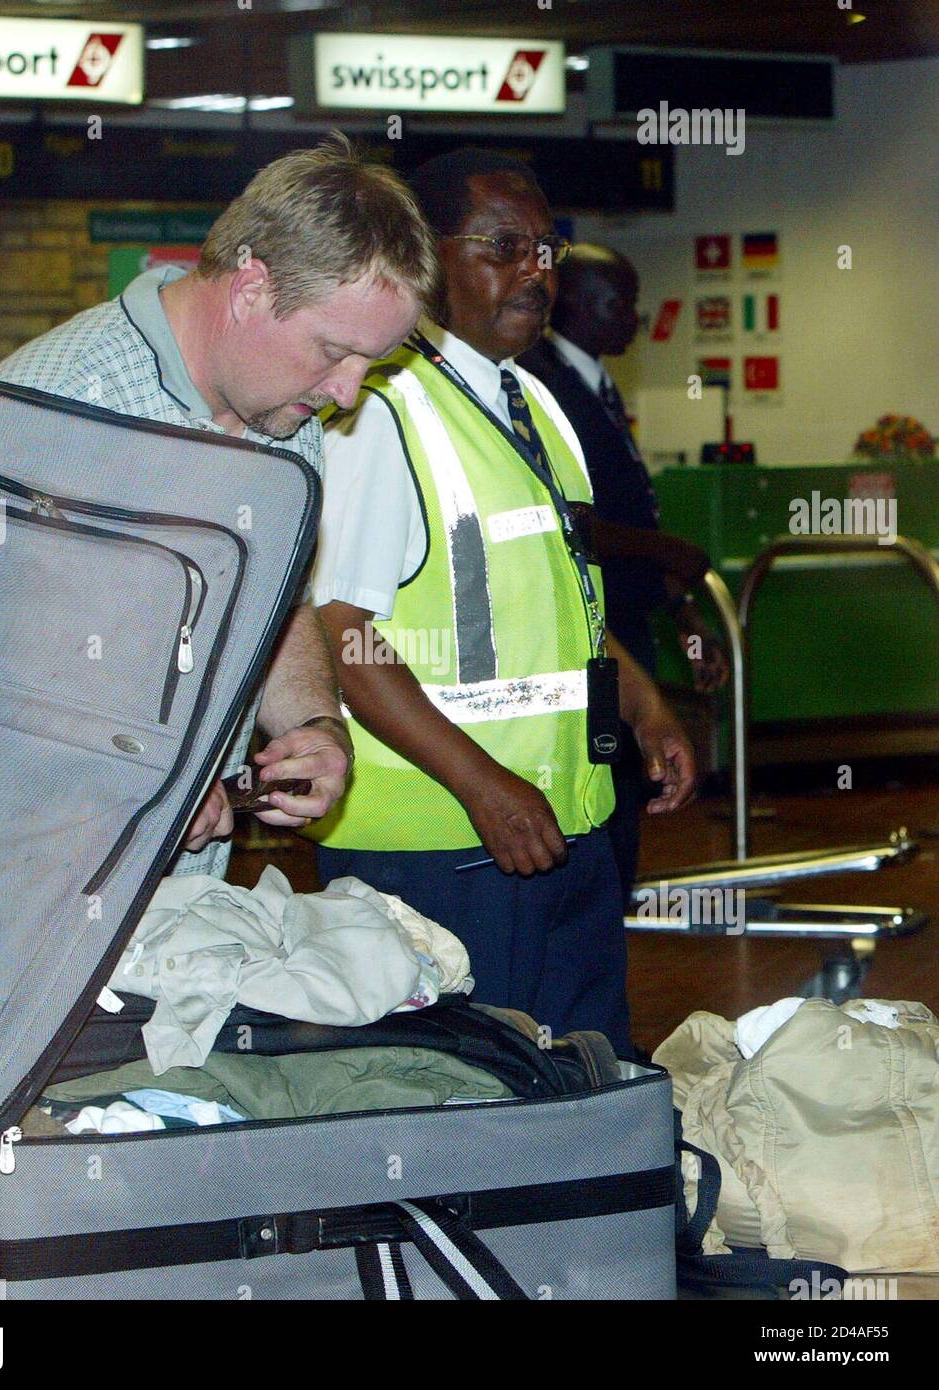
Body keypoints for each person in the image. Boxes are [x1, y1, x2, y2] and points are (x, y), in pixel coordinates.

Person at [305, 149, 696, 1056]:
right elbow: (342, 640)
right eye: (502, 246)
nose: (535, 271)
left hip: (567, 825)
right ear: (425, 257)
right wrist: (483, 785)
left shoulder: (533, 404)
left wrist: (644, 709)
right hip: (441, 846)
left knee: (580, 1077)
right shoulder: (379, 413)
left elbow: (566, 599)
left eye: (546, 250)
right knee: (467, 1099)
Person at [0, 134, 434, 883]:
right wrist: (135, 776)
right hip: (21, 880)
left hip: (176, 885)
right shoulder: (62, 407)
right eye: (332, 350)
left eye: (374, 363)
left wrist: (311, 723)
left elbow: (278, 601)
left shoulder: (282, 416)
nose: (347, 394)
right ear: (250, 288)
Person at [519, 246, 729, 902]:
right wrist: (663, 548)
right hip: (583, 629)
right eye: (620, 303)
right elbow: (566, 519)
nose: (633, 318)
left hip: (628, 617)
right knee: (602, 797)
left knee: (625, 801)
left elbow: (625, 502)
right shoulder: (539, 380)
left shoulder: (599, 384)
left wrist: (686, 622)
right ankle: (599, 921)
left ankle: (613, 917)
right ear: (572, 303)